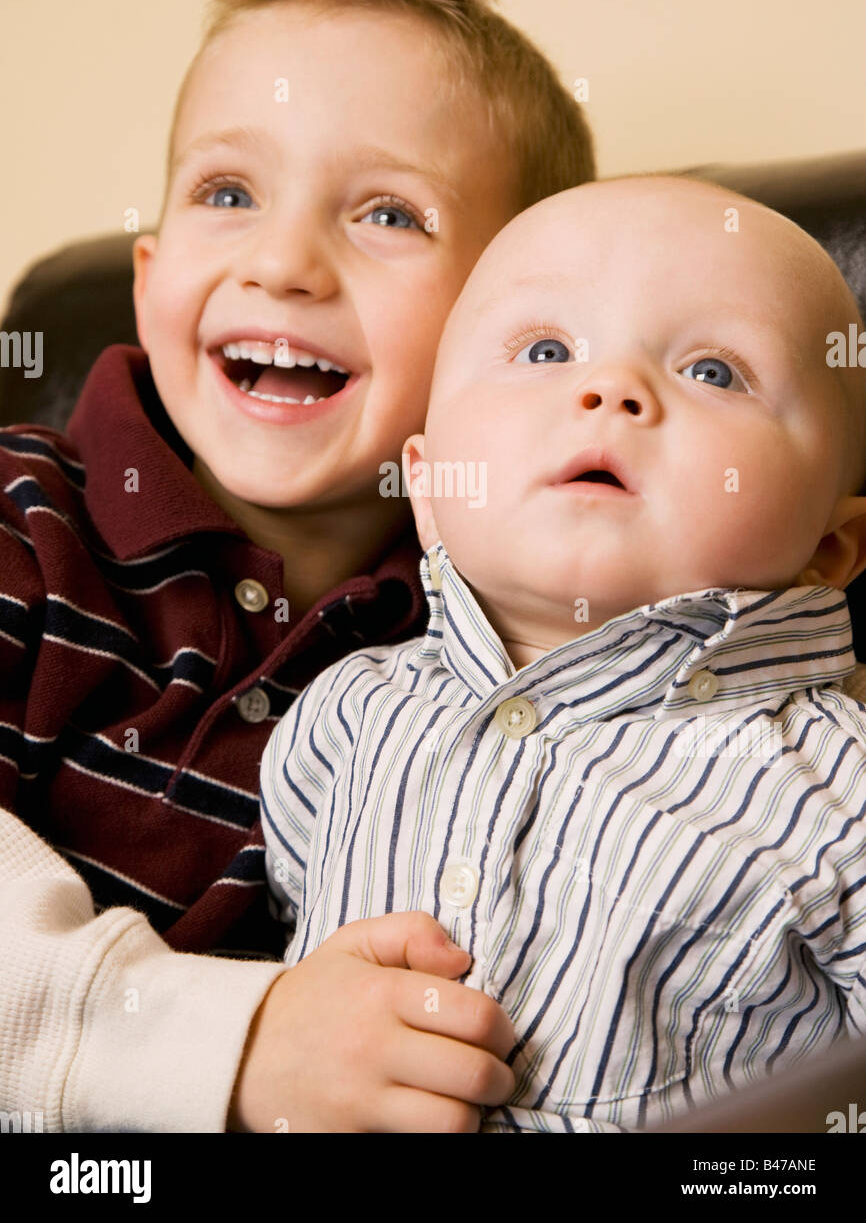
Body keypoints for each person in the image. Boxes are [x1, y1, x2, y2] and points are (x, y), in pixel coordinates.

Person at [0, 0, 594, 1132]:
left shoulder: (503, 649)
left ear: (514, 330)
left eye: (386, 214)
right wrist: (234, 1040)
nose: (281, 261)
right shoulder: (23, 522)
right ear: (147, 275)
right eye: (229, 193)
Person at [260, 175, 866, 1132]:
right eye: (545, 350)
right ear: (427, 487)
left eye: (714, 372)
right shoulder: (340, 717)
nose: (608, 390)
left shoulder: (835, 785)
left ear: (832, 549)